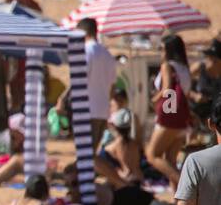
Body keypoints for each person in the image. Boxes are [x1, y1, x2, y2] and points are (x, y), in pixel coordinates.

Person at [146, 33, 192, 192]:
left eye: (162, 49)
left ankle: (188, 187)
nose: (161, 52)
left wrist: (154, 98)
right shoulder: (185, 68)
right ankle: (179, 200)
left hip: (169, 115)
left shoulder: (168, 66)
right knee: (170, 160)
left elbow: (166, 89)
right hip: (182, 117)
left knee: (152, 155)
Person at [79, 17, 118, 152]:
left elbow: (80, 79)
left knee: (86, 153)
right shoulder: (107, 54)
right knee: (92, 151)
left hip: (88, 108)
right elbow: (113, 86)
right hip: (102, 110)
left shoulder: (87, 51)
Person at [94, 107, 143, 188]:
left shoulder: (112, 147)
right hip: (138, 178)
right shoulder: (136, 143)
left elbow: (96, 159)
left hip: (124, 179)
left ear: (114, 126)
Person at [190, 39, 221, 128]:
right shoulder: (199, 68)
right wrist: (194, 95)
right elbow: (179, 85)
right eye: (208, 57)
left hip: (210, 117)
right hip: (192, 113)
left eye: (210, 58)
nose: (207, 60)